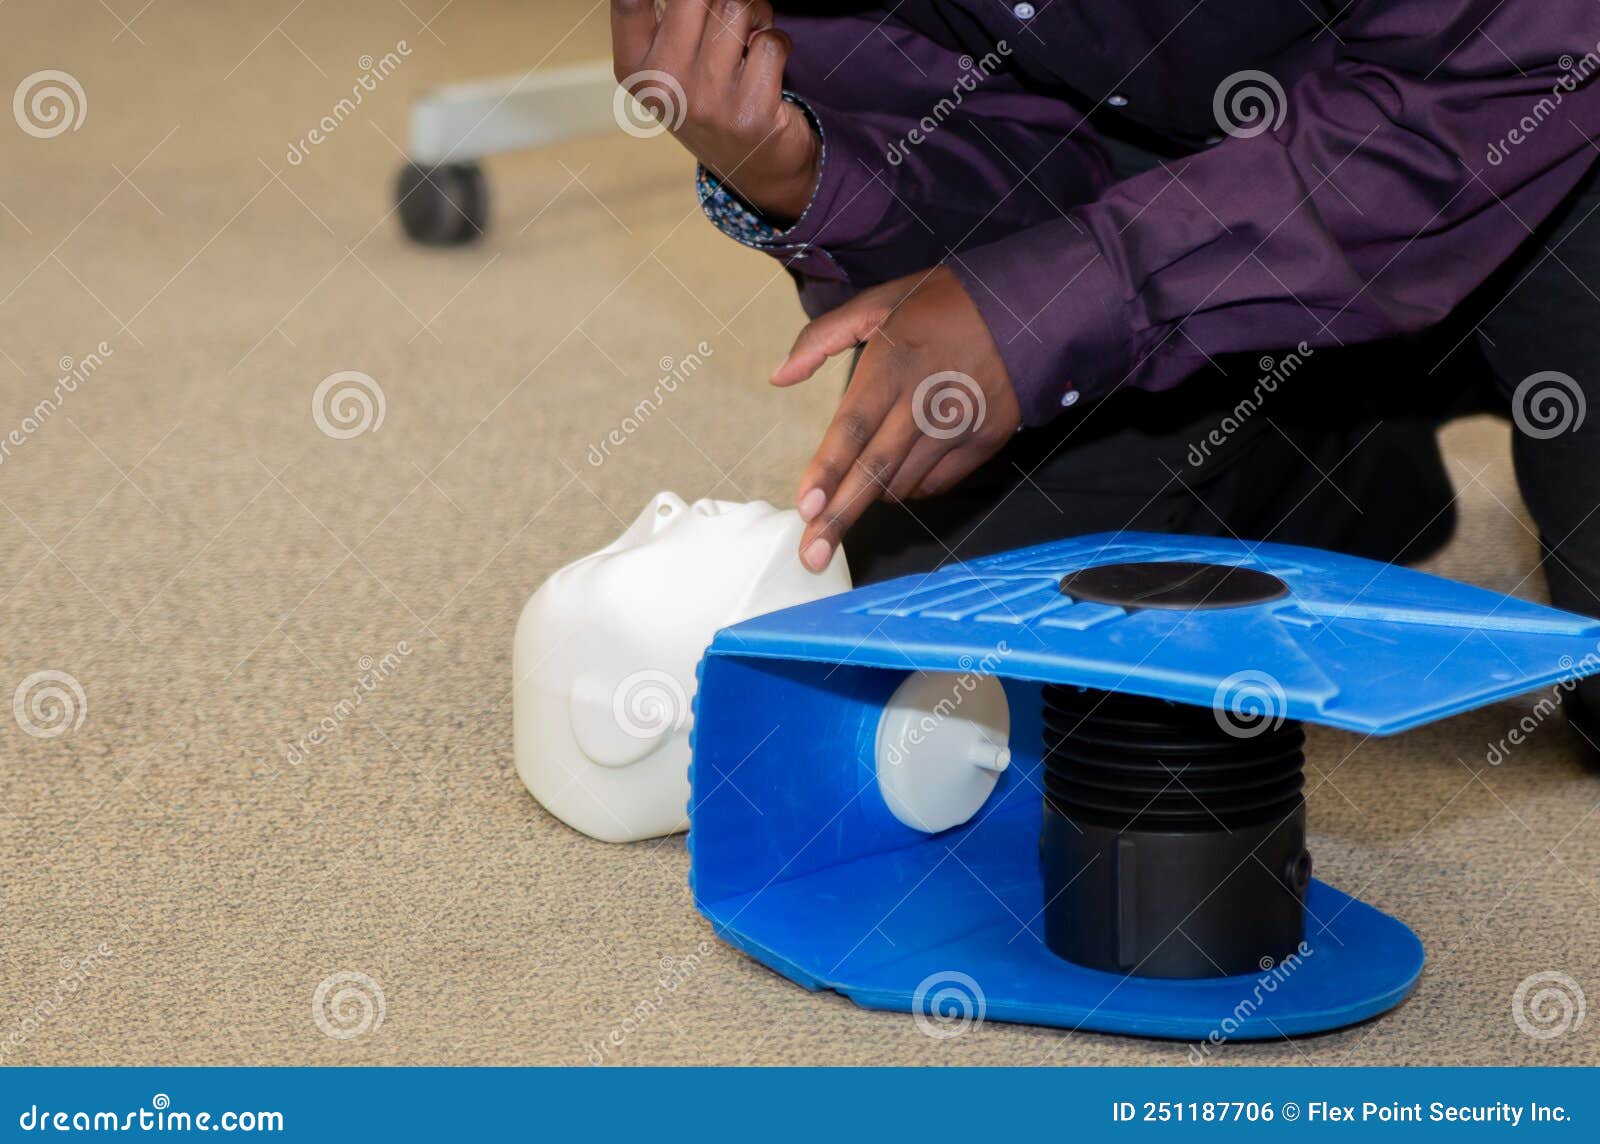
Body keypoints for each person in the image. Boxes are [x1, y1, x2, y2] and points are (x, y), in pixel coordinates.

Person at [609, 0, 1600, 725]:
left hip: (1539, 130)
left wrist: (1070, 298)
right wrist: (798, 168)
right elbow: (973, 152)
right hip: (1196, 180)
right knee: (989, 660)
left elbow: (1501, 71)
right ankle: (1344, 433)